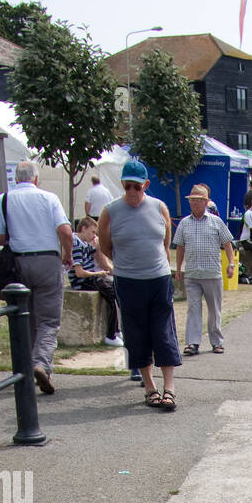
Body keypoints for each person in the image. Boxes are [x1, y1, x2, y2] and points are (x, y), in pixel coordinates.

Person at [97, 158, 181, 411]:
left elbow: (165, 243)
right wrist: (125, 264)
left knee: (163, 331)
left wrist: (160, 265)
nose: (133, 192)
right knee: (136, 332)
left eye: (138, 187)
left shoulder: (159, 208)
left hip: (158, 278)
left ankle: (169, 388)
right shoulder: (110, 211)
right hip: (128, 280)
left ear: (146, 185)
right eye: (128, 186)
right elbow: (105, 246)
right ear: (123, 185)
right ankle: (149, 387)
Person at [0, 158, 72, 394]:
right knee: (48, 320)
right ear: (36, 179)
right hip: (47, 260)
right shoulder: (49, 198)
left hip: (17, 264)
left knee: (24, 318)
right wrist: (67, 255)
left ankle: (25, 371)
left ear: (16, 179)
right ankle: (41, 363)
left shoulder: (4, 199)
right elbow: (65, 230)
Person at [173, 183, 235, 356]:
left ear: (206, 202)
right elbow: (180, 247)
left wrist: (231, 263)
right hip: (192, 273)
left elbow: (227, 243)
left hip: (212, 273)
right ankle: (192, 342)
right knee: (193, 308)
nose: (194, 203)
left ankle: (216, 341)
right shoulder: (185, 223)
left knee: (214, 310)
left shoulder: (216, 222)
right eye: (192, 200)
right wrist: (178, 268)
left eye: (198, 200)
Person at [68, 215, 123, 346]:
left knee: (117, 289)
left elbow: (96, 253)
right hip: (83, 281)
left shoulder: (84, 243)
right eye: (93, 232)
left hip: (92, 277)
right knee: (112, 295)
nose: (94, 236)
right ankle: (111, 334)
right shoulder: (76, 244)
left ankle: (116, 330)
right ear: (83, 228)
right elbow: (79, 272)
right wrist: (98, 273)